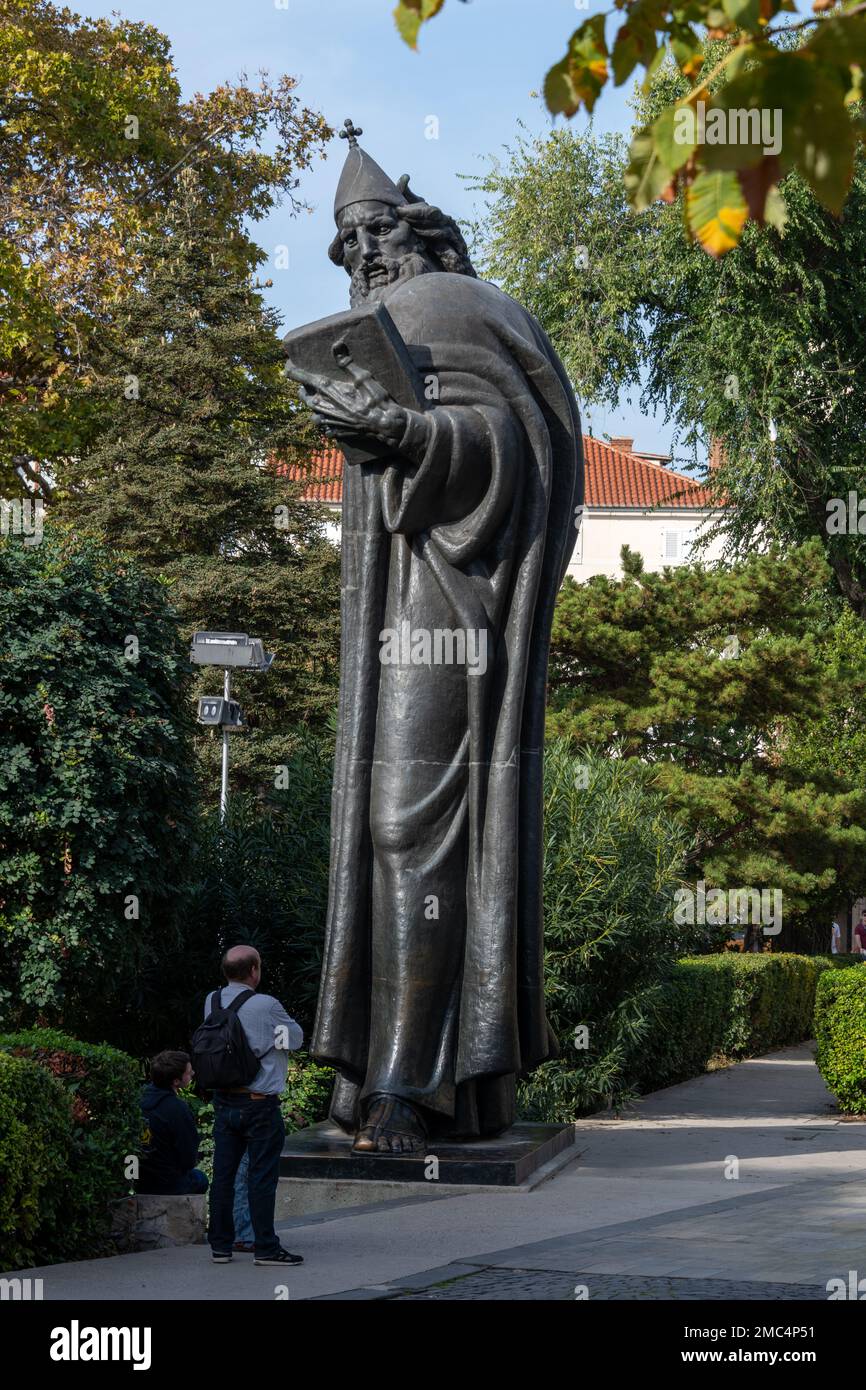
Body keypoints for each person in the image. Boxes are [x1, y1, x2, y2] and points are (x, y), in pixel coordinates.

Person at [205, 944, 304, 1267]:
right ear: (254, 971)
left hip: (224, 1101)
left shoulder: (212, 1000)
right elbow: (295, 1038)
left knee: (223, 1175)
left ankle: (220, 1246)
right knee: (261, 1177)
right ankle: (266, 1248)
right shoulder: (266, 1004)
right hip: (259, 1105)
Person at [138, 1051, 208, 1196]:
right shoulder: (177, 1109)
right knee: (201, 1179)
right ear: (176, 1081)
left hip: (138, 1180)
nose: (193, 1073)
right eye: (189, 1072)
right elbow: (189, 1159)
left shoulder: (138, 1099)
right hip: (167, 1183)